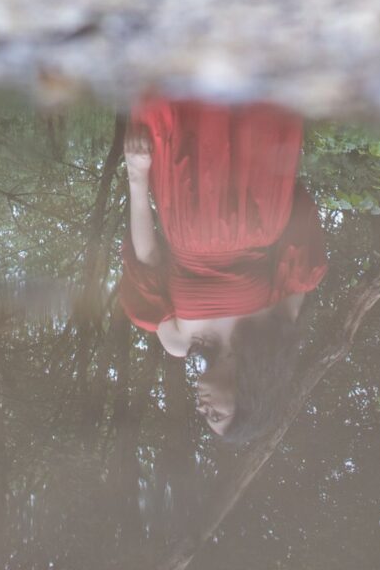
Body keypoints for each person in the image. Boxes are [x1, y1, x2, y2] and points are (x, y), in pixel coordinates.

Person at [120, 98, 327, 443]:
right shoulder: (276, 328)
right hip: (257, 194)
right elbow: (298, 238)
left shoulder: (177, 341)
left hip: (183, 188)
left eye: (205, 417)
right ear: (250, 399)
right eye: (217, 414)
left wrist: (137, 176)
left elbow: (149, 260)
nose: (203, 409)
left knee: (179, 94)